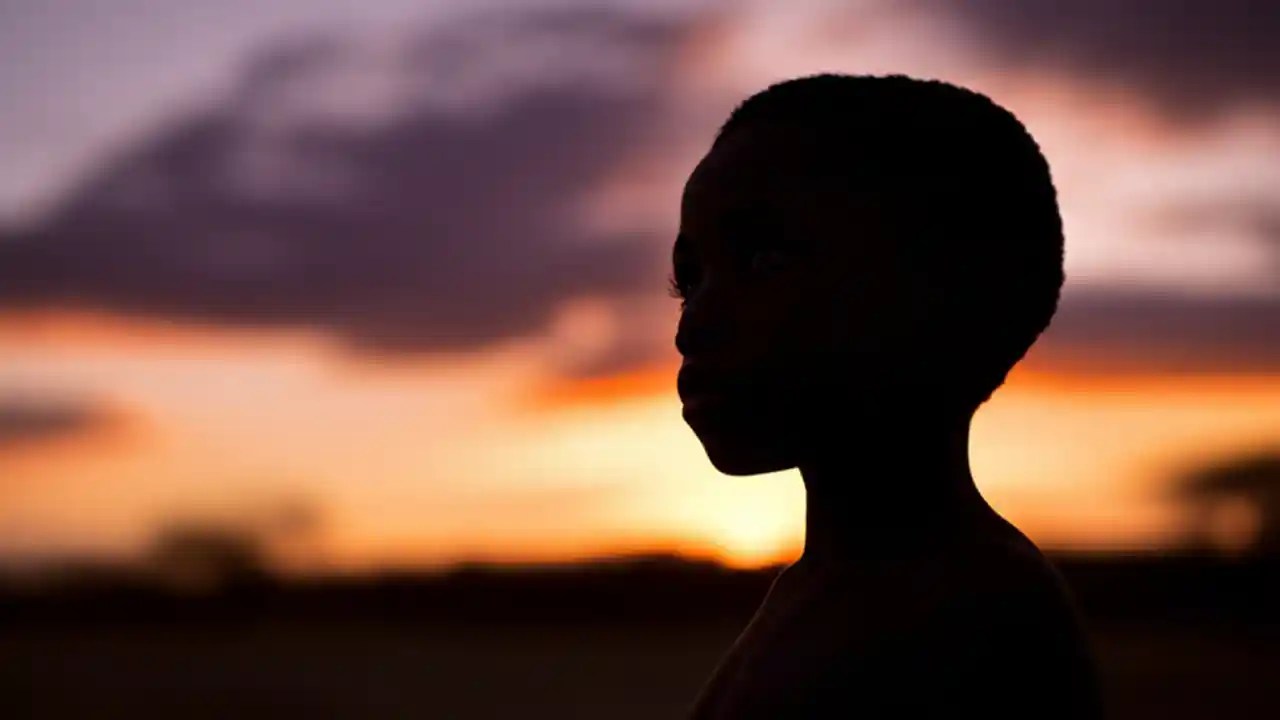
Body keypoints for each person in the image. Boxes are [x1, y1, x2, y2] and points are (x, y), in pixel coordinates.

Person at [671, 74, 1104, 718]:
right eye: (689, 279)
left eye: (762, 261)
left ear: (943, 293)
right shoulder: (839, 590)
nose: (692, 326)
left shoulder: (971, 624)